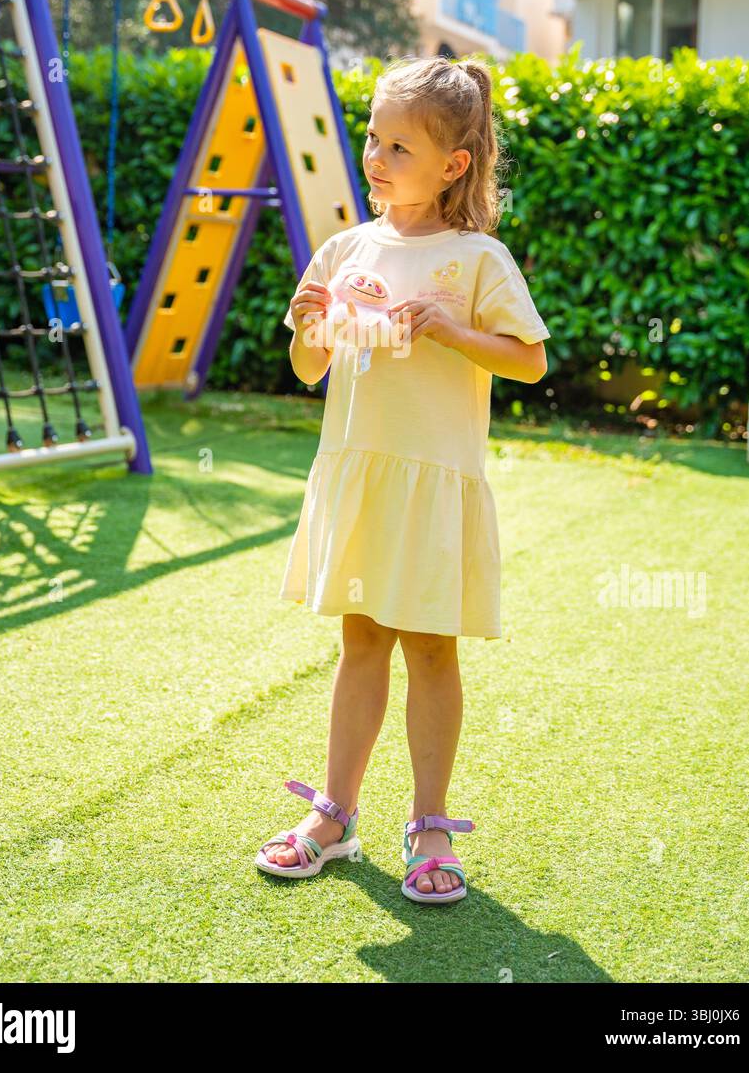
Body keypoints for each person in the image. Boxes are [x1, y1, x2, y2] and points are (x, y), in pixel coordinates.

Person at [255, 57, 550, 903]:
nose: (376, 158)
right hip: (361, 477)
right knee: (360, 643)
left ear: (454, 165)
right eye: (373, 140)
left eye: (400, 147)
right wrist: (312, 324)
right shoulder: (347, 248)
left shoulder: (478, 258)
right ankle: (334, 815)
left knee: (429, 646)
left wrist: (454, 330)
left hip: (435, 482)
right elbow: (308, 363)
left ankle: (429, 826)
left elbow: (529, 361)